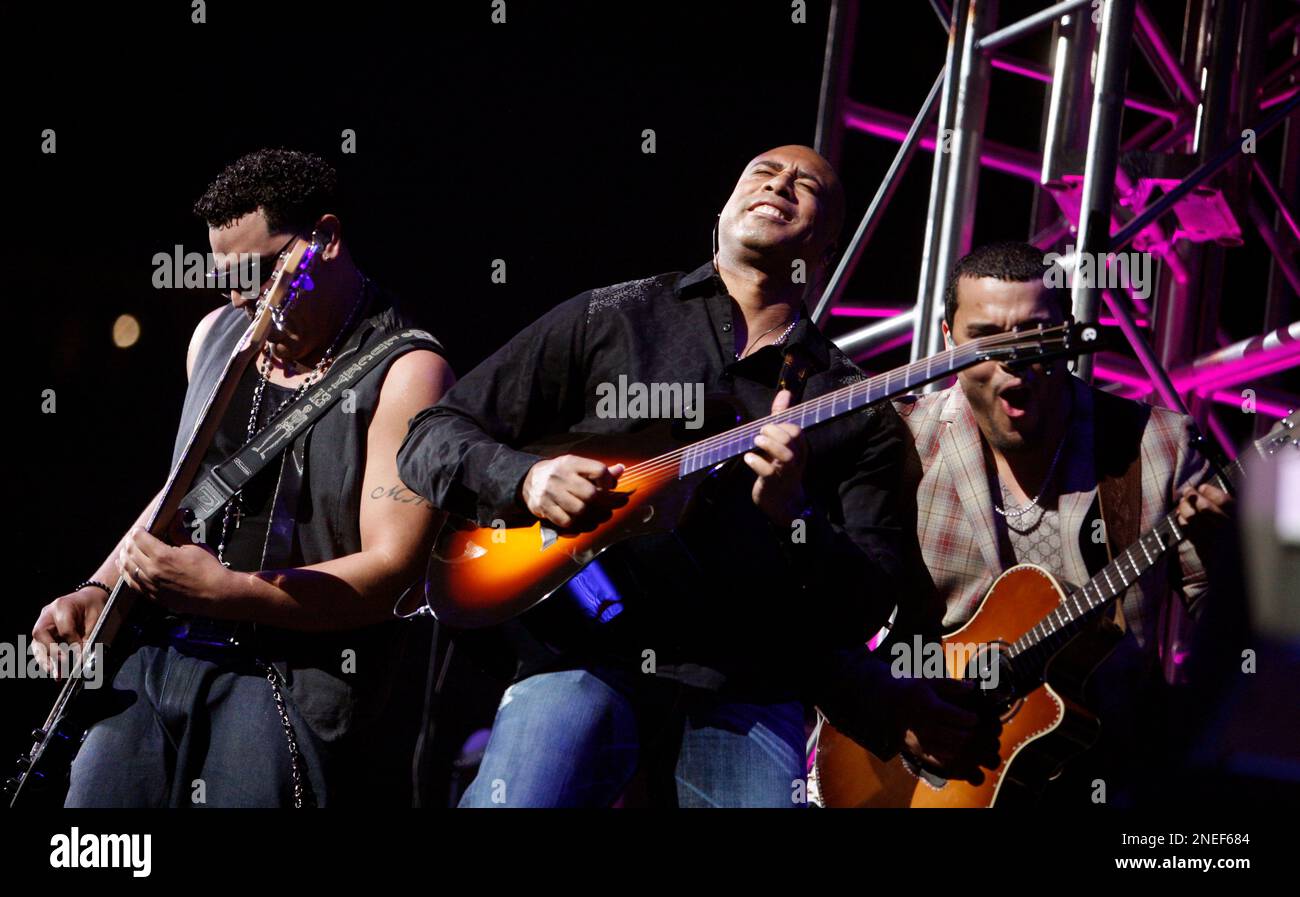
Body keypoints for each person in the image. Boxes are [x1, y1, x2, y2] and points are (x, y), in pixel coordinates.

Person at [398, 144, 950, 807]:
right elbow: (432, 434)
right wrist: (527, 479)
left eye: (807, 186)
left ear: (826, 250)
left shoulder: (857, 405)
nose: (779, 185)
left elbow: (869, 596)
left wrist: (793, 514)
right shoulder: (615, 314)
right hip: (580, 656)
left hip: (745, 687)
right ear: (724, 209)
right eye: (762, 174)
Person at [31, 148, 455, 807]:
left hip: (285, 677)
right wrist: (100, 586)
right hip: (159, 653)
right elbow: (183, 490)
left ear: (325, 239)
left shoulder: (407, 370)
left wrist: (228, 591)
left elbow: (392, 571)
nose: (239, 299)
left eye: (258, 273)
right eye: (226, 278)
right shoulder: (213, 335)